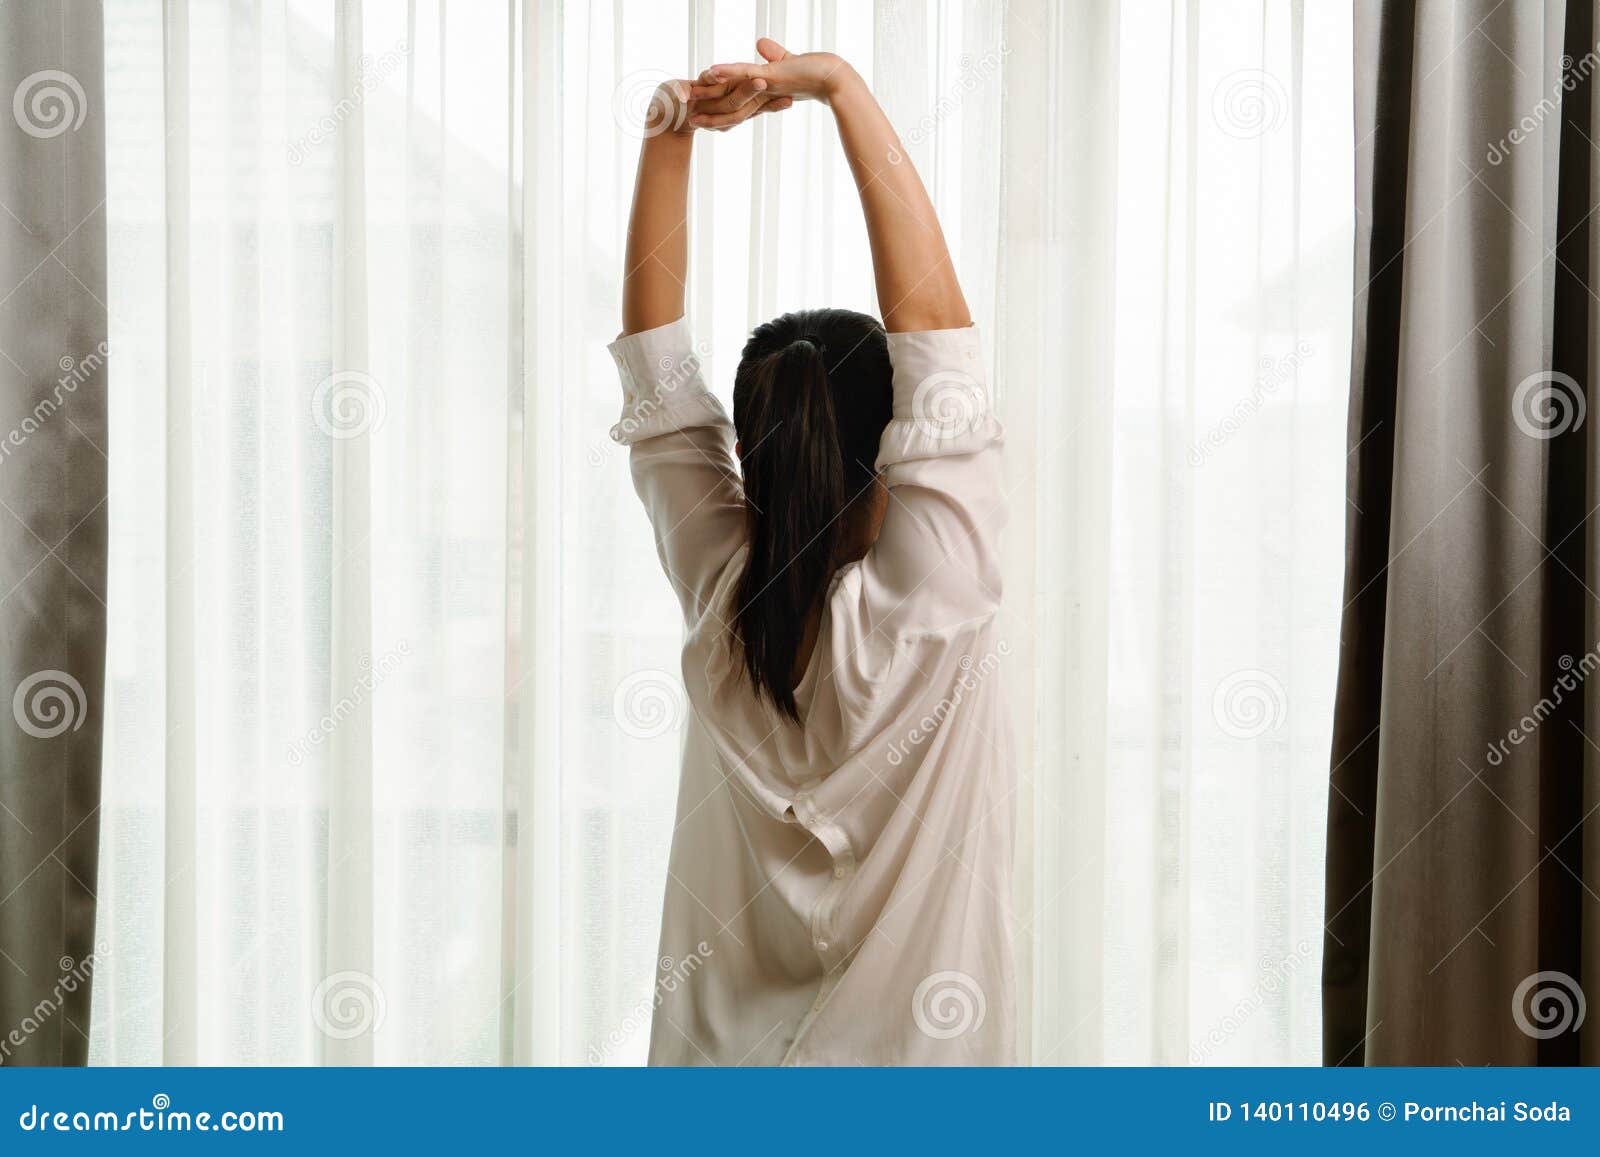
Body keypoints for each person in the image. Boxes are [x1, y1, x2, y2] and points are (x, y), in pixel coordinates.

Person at [609, 38, 1013, 1065]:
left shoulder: (719, 591)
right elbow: (934, 330)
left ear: (748, 446)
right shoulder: (935, 588)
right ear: (892, 440)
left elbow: (657, 378)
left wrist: (674, 130)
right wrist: (838, 89)